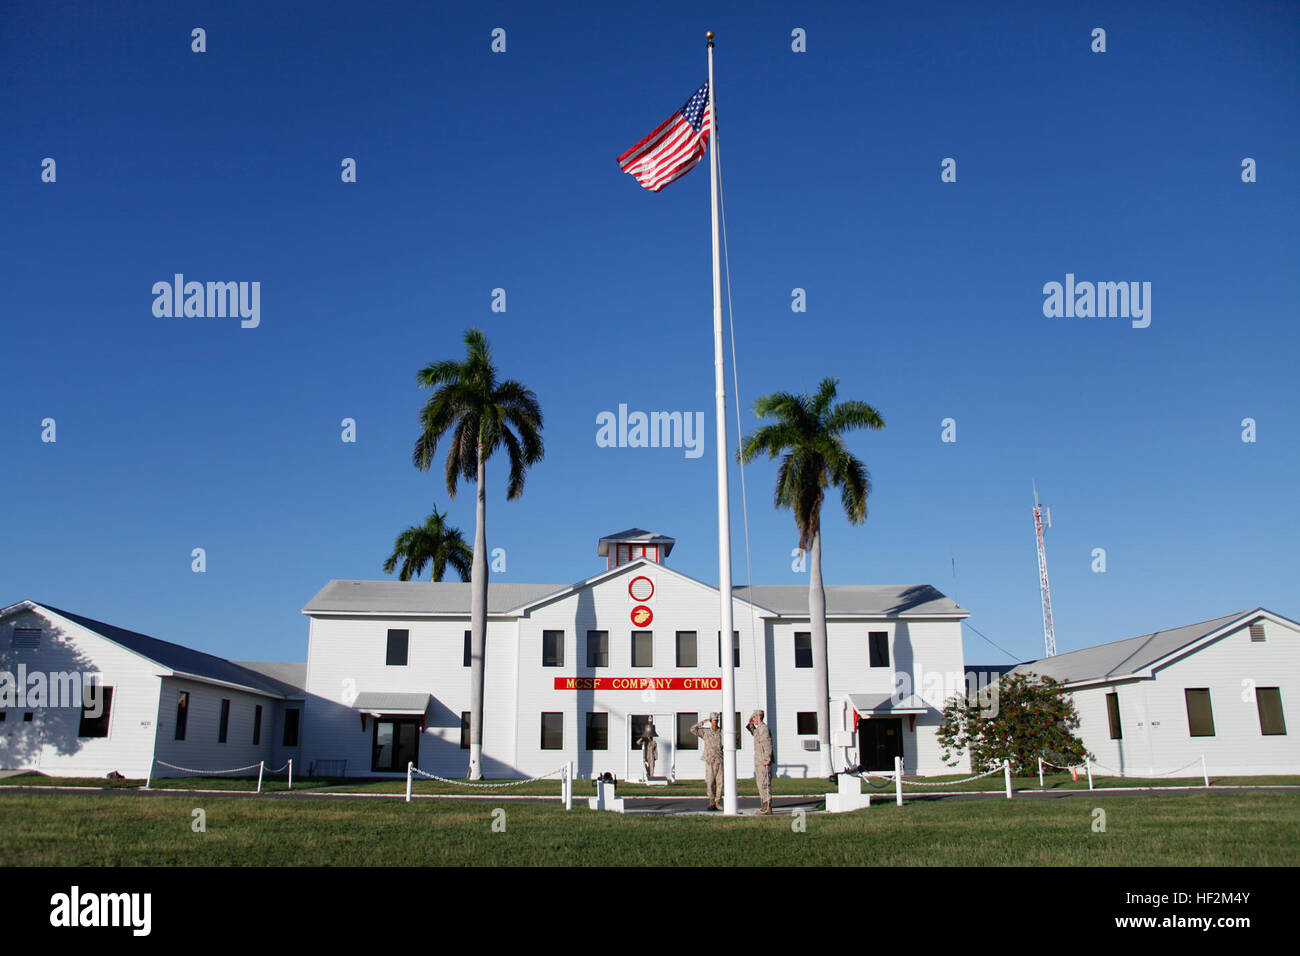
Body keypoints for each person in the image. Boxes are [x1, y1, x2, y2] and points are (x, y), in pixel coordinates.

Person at [691, 712, 724, 810]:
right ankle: (712, 801)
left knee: (720, 782)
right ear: (710, 721)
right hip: (709, 760)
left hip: (719, 759)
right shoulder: (705, 732)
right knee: (710, 782)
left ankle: (718, 801)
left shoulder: (722, 732)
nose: (715, 722)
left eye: (716, 720)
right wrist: (701, 723)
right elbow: (692, 730)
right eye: (713, 720)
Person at [746, 709, 773, 814]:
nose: (753, 719)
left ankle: (768, 806)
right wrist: (750, 723)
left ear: (759, 717)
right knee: (760, 783)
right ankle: (764, 804)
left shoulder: (764, 729)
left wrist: (767, 758)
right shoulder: (758, 729)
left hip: (763, 760)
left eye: (754, 717)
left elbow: (767, 744)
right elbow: (752, 730)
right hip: (758, 760)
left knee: (764, 784)